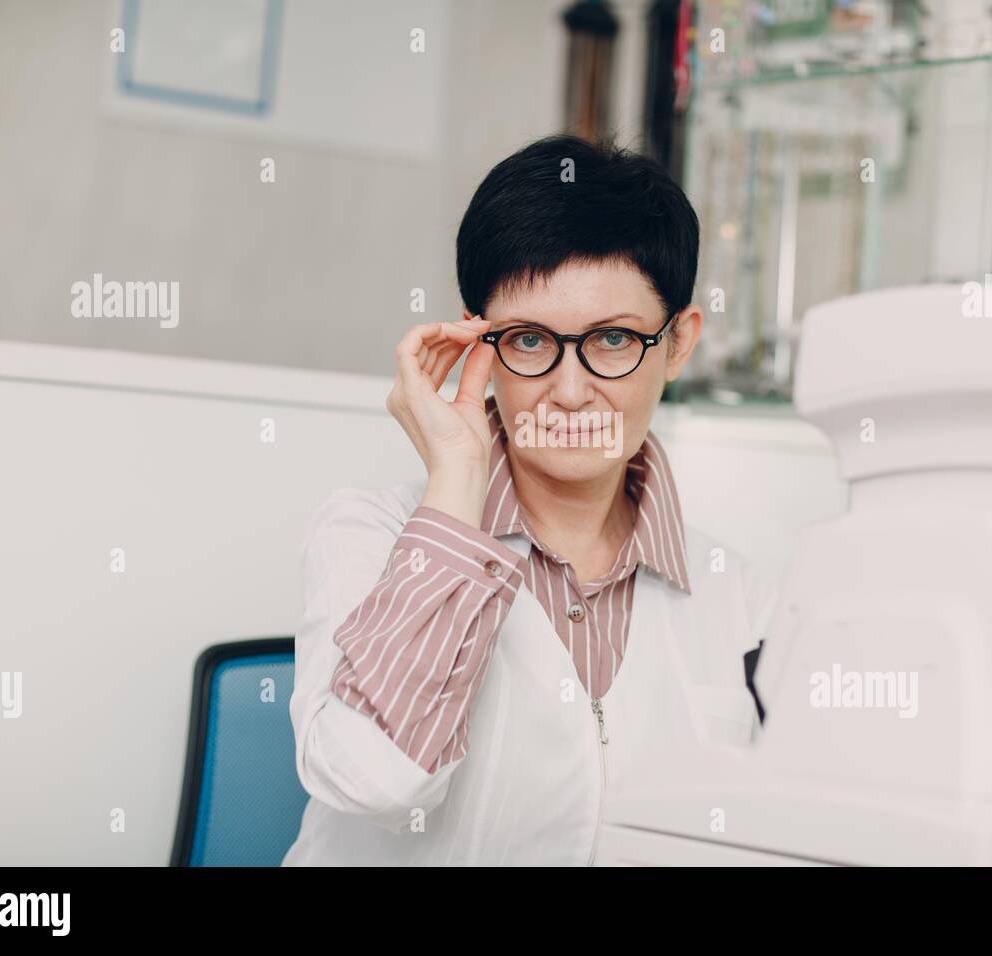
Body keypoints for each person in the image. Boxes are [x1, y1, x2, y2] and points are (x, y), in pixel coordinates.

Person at [283, 134, 776, 866]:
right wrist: (455, 474)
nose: (570, 390)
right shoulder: (368, 536)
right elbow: (376, 783)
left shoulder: (742, 593)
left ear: (678, 345)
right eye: (529, 340)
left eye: (613, 339)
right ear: (476, 343)